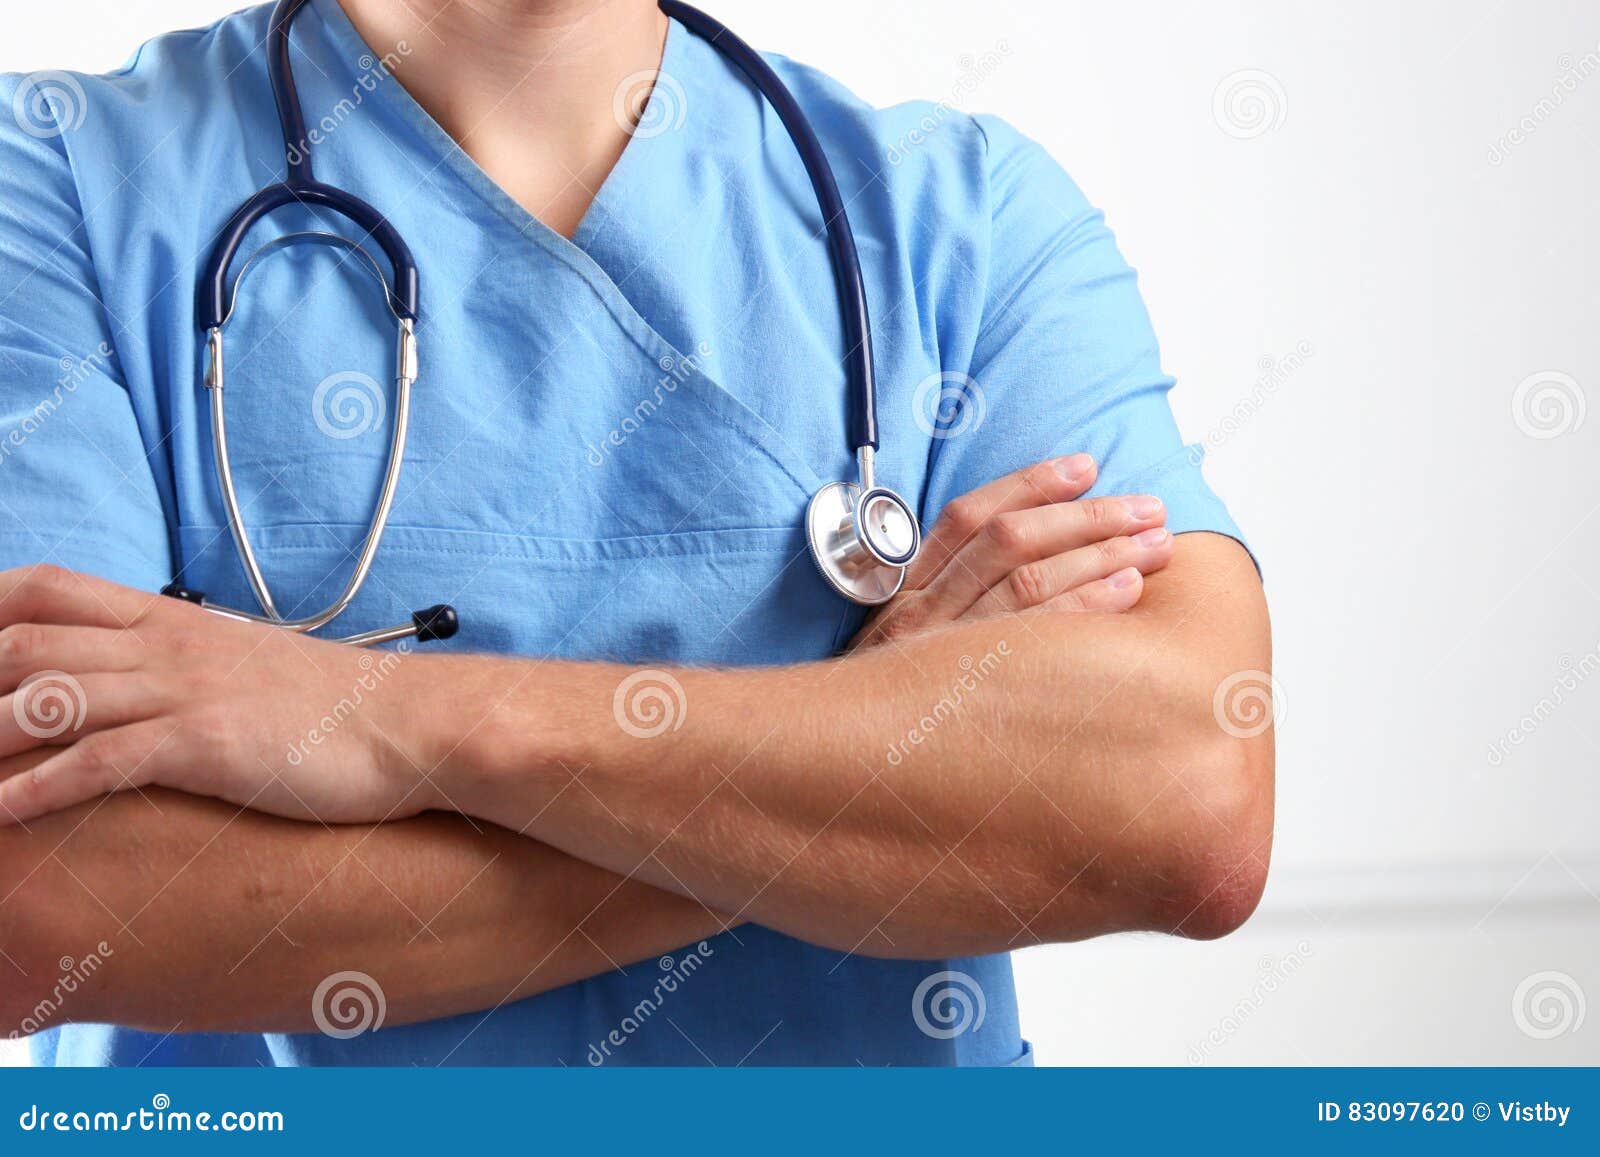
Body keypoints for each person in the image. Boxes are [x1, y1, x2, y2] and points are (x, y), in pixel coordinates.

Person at [0, 0, 1271, 1066]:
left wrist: (381, 717)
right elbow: (45, 903)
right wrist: (857, 760)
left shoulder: (967, 220)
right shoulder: (53, 184)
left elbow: (1183, 798)